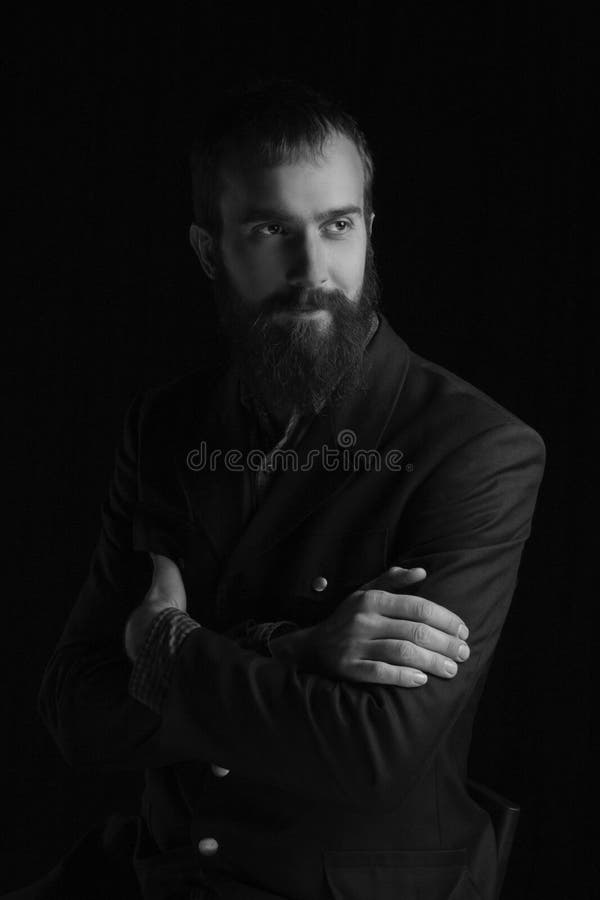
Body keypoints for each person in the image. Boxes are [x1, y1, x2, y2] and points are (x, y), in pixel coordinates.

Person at [19, 77, 545, 899]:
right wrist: (289, 650)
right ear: (209, 250)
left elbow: (373, 755)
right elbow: (76, 713)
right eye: (271, 229)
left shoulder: (477, 449)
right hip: (165, 874)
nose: (313, 270)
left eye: (338, 225)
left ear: (369, 228)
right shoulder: (165, 426)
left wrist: (169, 649)